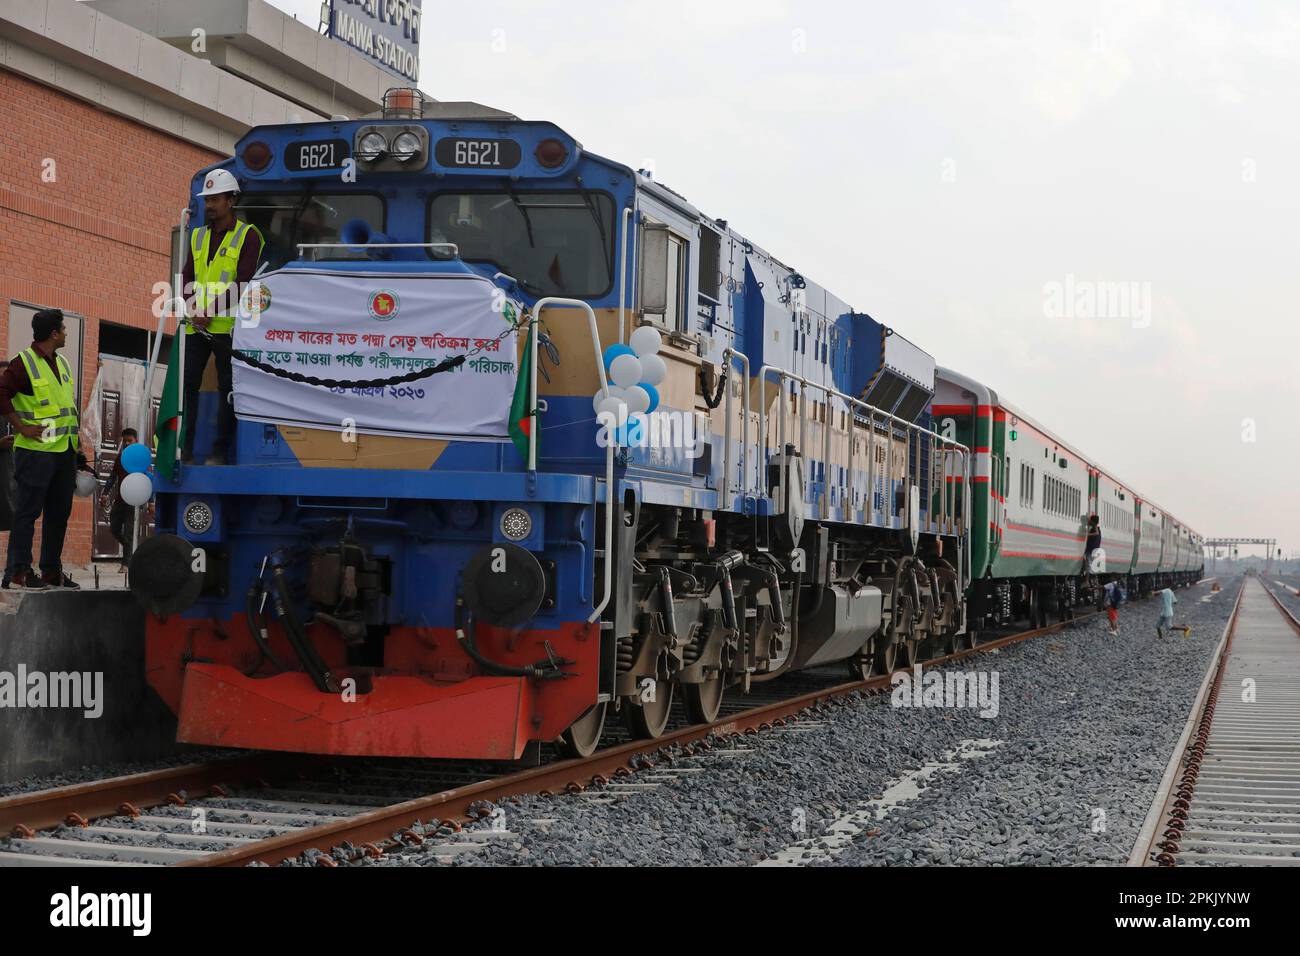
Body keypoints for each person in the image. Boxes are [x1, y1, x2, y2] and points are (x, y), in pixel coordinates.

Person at [0, 309, 95, 590]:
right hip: (36, 451)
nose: (66, 332)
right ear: (54, 334)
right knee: (27, 513)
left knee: (58, 513)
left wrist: (75, 446)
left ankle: (52, 570)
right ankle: (18, 572)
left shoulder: (63, 363)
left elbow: (66, 407)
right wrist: (20, 427)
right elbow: (2, 393)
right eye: (64, 329)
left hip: (63, 452)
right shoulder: (23, 363)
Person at [181, 168, 264, 466]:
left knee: (228, 389)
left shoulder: (248, 236)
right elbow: (187, 275)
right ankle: (186, 451)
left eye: (216, 198)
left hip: (229, 328)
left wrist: (209, 312)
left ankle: (219, 452)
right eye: (208, 199)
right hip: (196, 326)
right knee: (187, 385)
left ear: (231, 201)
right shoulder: (198, 236)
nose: (210, 205)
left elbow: (243, 282)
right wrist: (192, 307)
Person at [108, 427, 139, 569]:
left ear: (135, 441)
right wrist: (105, 493)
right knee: (114, 529)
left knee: (129, 531)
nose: (126, 443)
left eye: (129, 441)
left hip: (134, 500)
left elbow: (148, 479)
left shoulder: (141, 458)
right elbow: (113, 476)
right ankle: (130, 548)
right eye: (124, 441)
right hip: (120, 499)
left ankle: (125, 564)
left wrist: (151, 502)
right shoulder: (120, 457)